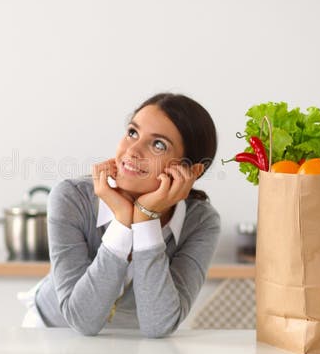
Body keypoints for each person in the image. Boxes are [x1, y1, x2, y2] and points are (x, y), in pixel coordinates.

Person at [24, 93, 221, 337]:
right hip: (51, 336)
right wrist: (122, 222)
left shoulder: (200, 222)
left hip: (130, 345)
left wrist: (145, 218)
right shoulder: (71, 198)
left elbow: (159, 325)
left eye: (158, 144)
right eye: (132, 133)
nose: (133, 151)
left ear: (191, 170)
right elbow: (81, 320)